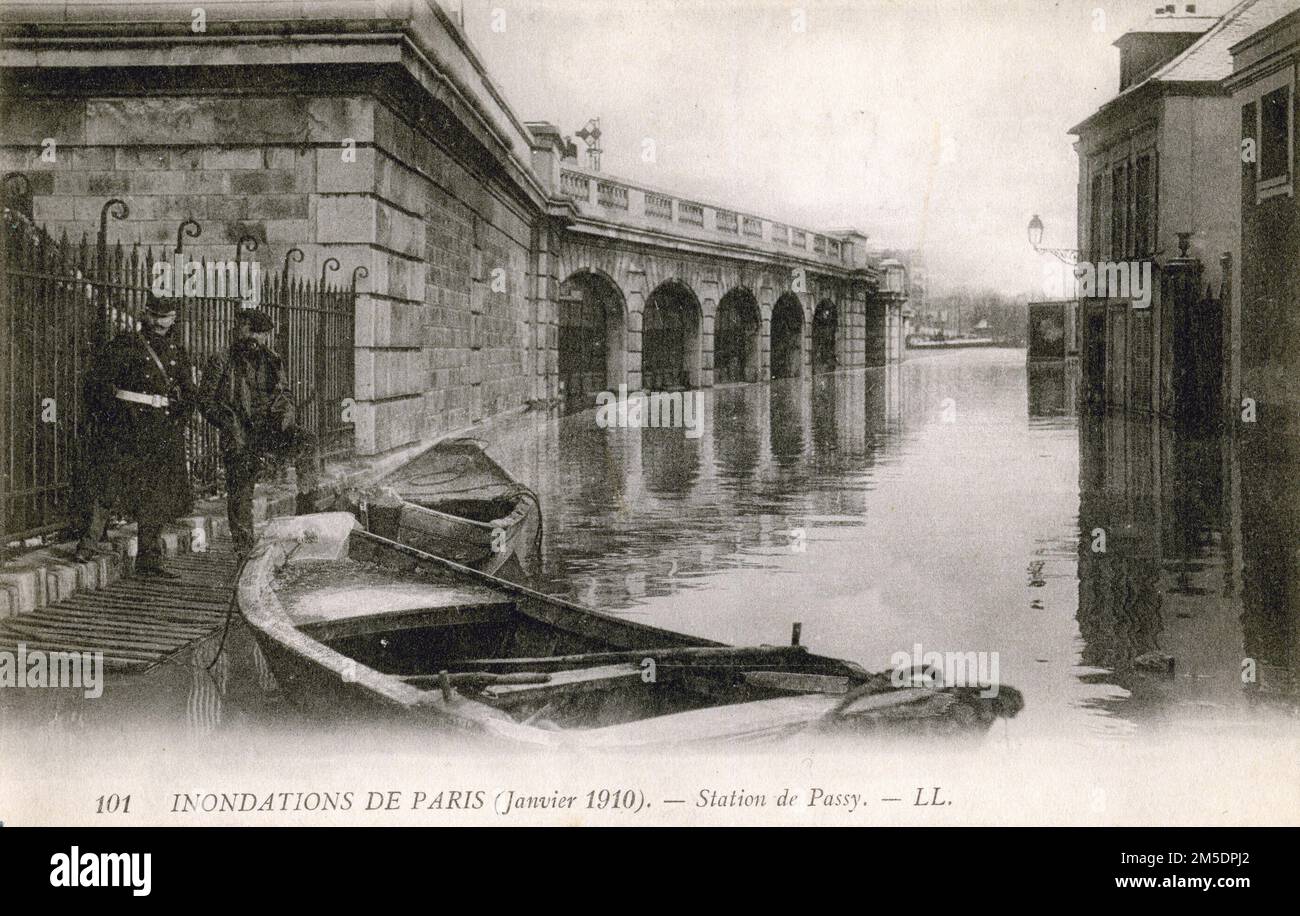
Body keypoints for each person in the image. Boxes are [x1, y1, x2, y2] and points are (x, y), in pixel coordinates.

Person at [75, 293, 198, 577]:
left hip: (161, 430)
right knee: (108, 485)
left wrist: (178, 417)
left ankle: (149, 559)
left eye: (165, 316)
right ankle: (88, 545)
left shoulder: (177, 352)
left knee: (155, 493)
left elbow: (189, 392)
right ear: (145, 315)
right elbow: (97, 384)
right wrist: (114, 416)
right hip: (126, 428)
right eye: (154, 315)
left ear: (174, 318)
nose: (159, 322)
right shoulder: (126, 344)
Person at [200, 309, 321, 556]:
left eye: (262, 334)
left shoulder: (272, 359)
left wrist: (285, 417)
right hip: (240, 433)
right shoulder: (222, 360)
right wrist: (229, 423)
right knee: (241, 489)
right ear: (238, 329)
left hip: (270, 430)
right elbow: (206, 401)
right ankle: (244, 550)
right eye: (251, 331)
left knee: (307, 441)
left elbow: (285, 394)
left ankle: (305, 520)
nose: (256, 338)